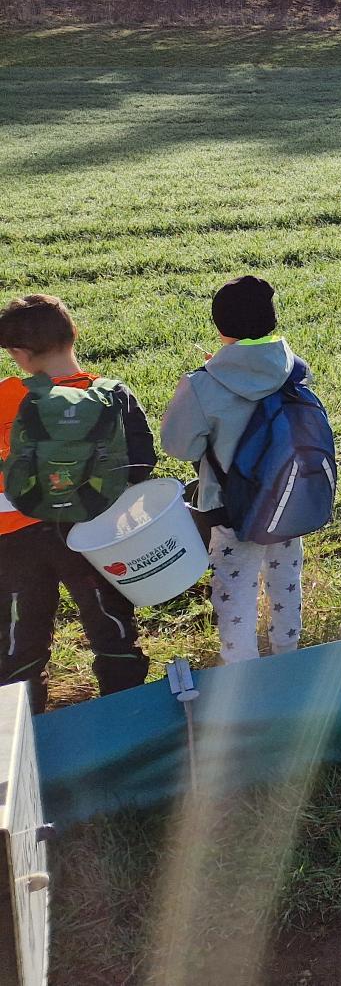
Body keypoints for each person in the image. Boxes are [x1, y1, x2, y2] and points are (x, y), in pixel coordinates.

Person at [0, 295, 152, 712]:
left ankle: (23, 734)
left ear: (20, 355)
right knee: (109, 623)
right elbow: (140, 464)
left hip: (15, 541)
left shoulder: (3, 398)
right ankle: (126, 713)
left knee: (19, 636)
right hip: (90, 535)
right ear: (74, 334)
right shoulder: (111, 393)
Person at [160, 276, 313, 658]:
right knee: (286, 580)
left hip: (232, 509)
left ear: (220, 327)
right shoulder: (294, 369)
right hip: (287, 499)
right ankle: (287, 652)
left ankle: (242, 670)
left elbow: (178, 446)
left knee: (234, 591)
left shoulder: (203, 384)